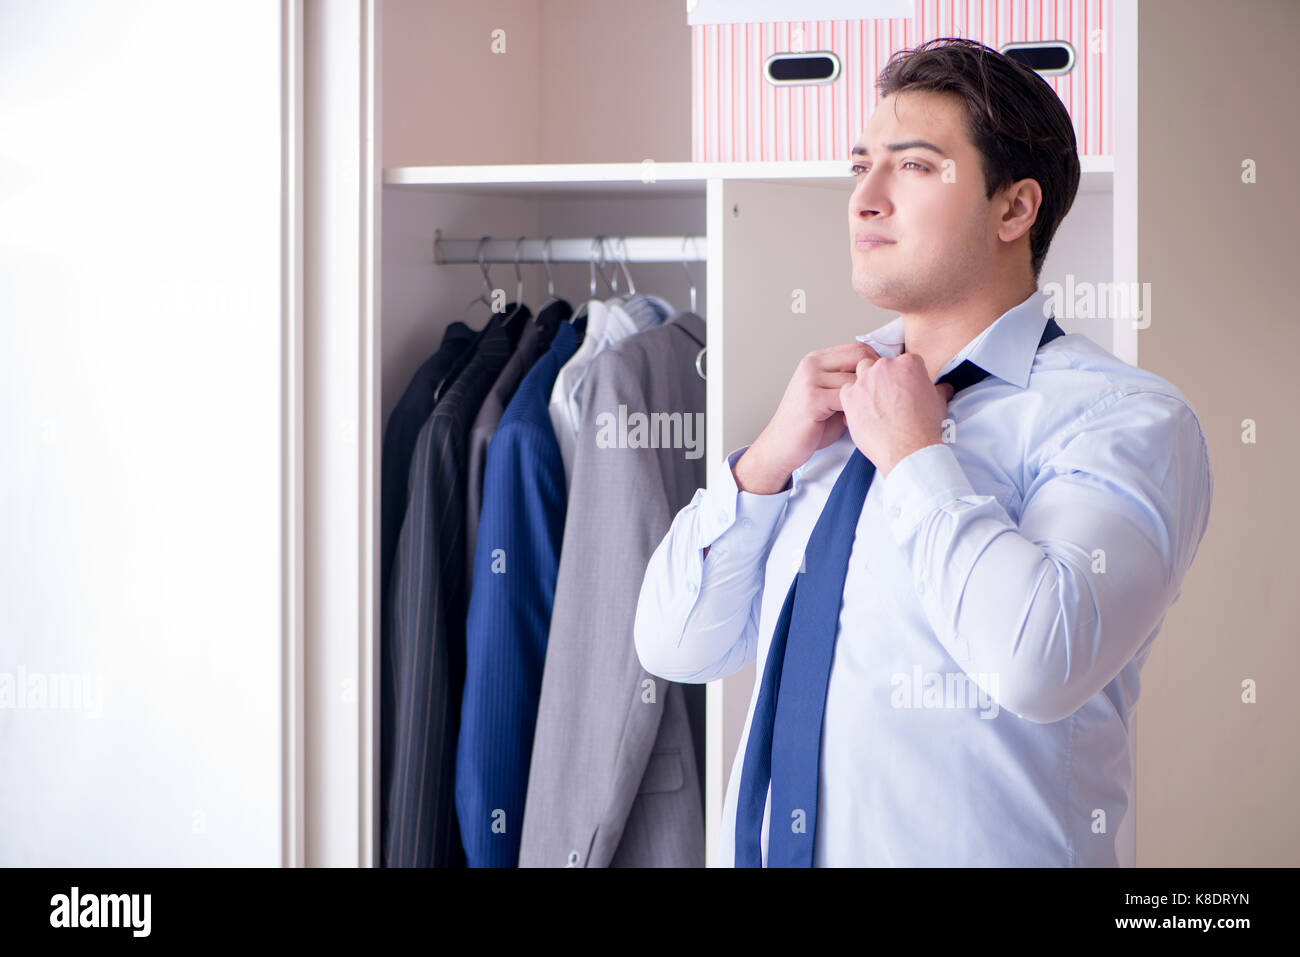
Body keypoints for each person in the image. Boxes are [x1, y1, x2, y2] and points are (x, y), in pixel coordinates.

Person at [633, 38, 1212, 867]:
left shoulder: (1125, 419)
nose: (865, 200)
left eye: (912, 166)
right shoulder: (828, 408)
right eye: (860, 166)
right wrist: (762, 464)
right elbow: (677, 646)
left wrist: (913, 456)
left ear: (1014, 210)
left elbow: (1039, 662)